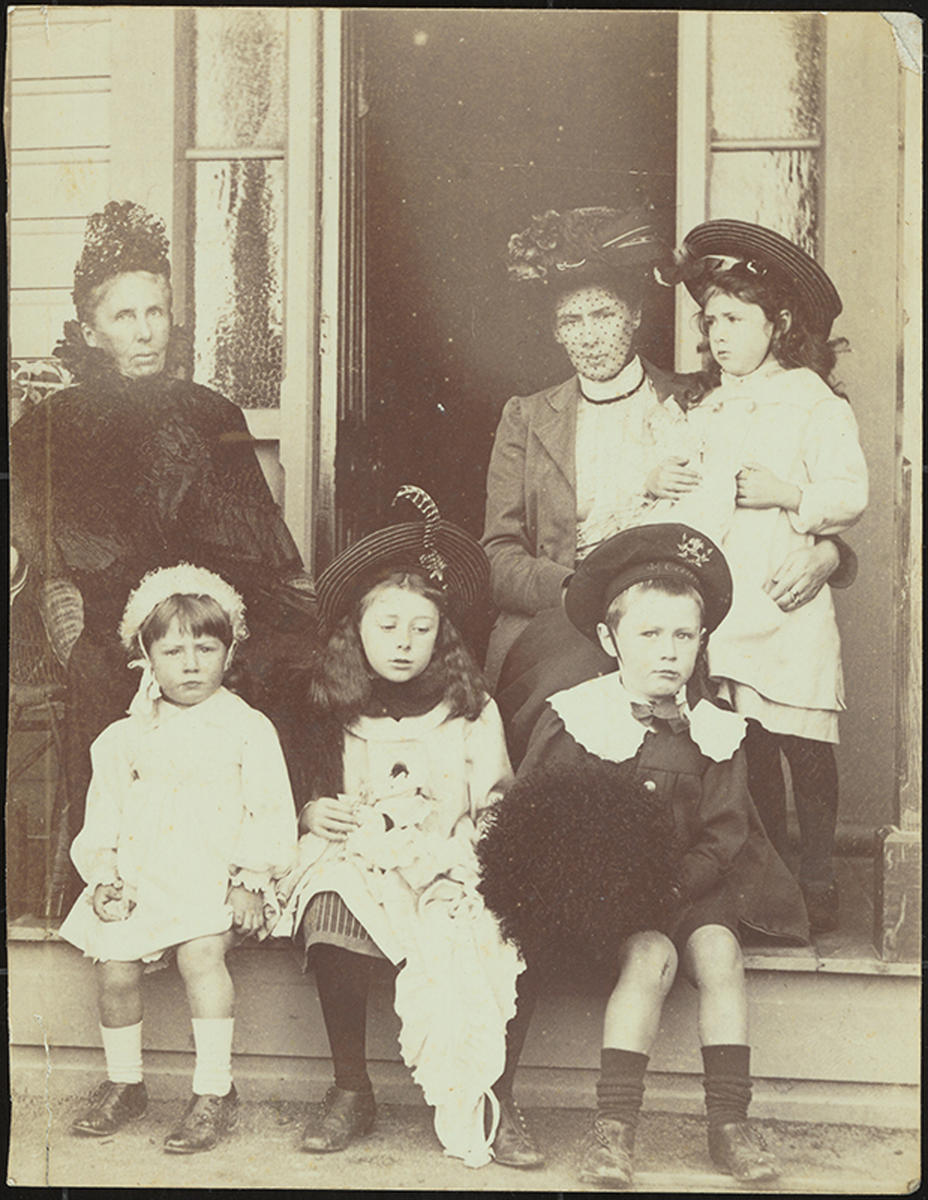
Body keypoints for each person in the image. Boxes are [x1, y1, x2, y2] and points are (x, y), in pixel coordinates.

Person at [477, 523, 809, 1187]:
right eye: (649, 635)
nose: (668, 653)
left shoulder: (715, 729)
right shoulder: (577, 716)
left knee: (719, 952)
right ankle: (614, 1128)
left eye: (684, 636)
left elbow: (724, 830)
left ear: (702, 642)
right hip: (614, 896)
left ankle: (728, 1123)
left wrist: (680, 886)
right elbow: (540, 814)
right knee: (650, 954)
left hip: (692, 884)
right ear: (609, 640)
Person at [9, 201, 318, 882]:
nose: (145, 332)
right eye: (124, 317)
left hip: (212, 605)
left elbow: (254, 545)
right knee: (103, 671)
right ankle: (117, 872)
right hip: (108, 614)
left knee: (294, 659)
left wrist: (221, 614)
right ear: (91, 331)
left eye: (156, 312)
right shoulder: (50, 427)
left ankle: (257, 867)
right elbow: (43, 547)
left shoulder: (213, 413)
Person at [481, 205, 851, 763]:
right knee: (574, 692)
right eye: (571, 322)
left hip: (679, 616)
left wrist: (828, 553)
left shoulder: (702, 398)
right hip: (561, 619)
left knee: (693, 689)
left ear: (632, 314)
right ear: (555, 332)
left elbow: (778, 491)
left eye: (602, 315)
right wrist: (580, 592)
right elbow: (498, 554)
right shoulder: (528, 418)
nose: (588, 336)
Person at [274, 486, 522, 1168]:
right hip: (363, 857)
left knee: (490, 923)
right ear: (356, 630)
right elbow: (300, 787)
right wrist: (310, 810)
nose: (404, 643)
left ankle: (496, 1093)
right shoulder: (331, 705)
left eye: (421, 628)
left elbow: (496, 796)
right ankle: (352, 1086)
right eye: (387, 627)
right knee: (328, 902)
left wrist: (467, 848)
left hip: (449, 855)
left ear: (442, 633)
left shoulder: (469, 708)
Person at [643, 220, 868, 931]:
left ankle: (820, 868)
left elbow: (849, 492)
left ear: (780, 323)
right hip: (731, 601)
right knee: (753, 739)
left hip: (787, 594)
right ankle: (777, 874)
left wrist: (791, 496)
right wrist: (668, 472)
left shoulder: (813, 402)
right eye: (711, 322)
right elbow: (677, 494)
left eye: (737, 320)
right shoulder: (706, 406)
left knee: (805, 736)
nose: (719, 336)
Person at [59, 564, 297, 1154]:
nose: (190, 664)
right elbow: (103, 815)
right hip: (143, 879)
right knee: (114, 965)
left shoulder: (247, 728)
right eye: (173, 650)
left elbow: (270, 810)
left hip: (215, 881)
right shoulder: (125, 737)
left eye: (206, 648)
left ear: (229, 652)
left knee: (201, 954)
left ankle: (214, 1089)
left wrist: (249, 880)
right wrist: (105, 877)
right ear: (145, 657)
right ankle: (125, 1083)